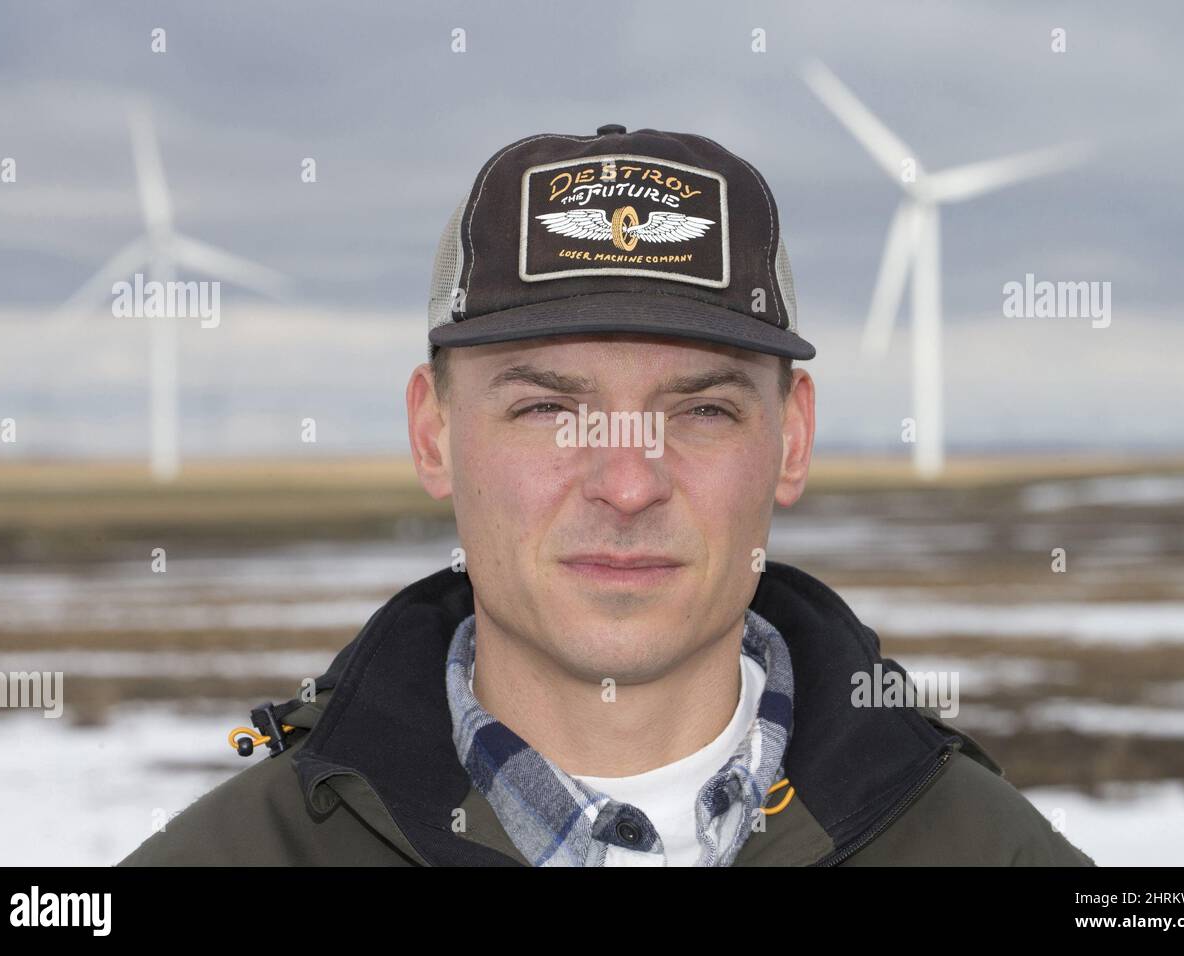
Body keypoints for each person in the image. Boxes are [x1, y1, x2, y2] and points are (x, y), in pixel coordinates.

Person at [119, 124, 1095, 866]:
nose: (627, 481)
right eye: (548, 408)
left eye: (703, 411)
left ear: (791, 438)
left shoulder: (990, 853)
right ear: (434, 433)